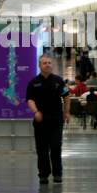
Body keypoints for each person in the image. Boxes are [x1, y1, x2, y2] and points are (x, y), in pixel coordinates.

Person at [25, 54, 70, 184]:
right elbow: (30, 100)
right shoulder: (33, 83)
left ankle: (57, 173)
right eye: (44, 63)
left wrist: (67, 113)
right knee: (42, 148)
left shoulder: (59, 81)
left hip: (56, 119)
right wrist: (36, 112)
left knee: (56, 146)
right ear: (40, 66)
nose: (47, 65)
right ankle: (43, 174)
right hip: (40, 120)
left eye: (49, 63)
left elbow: (66, 97)